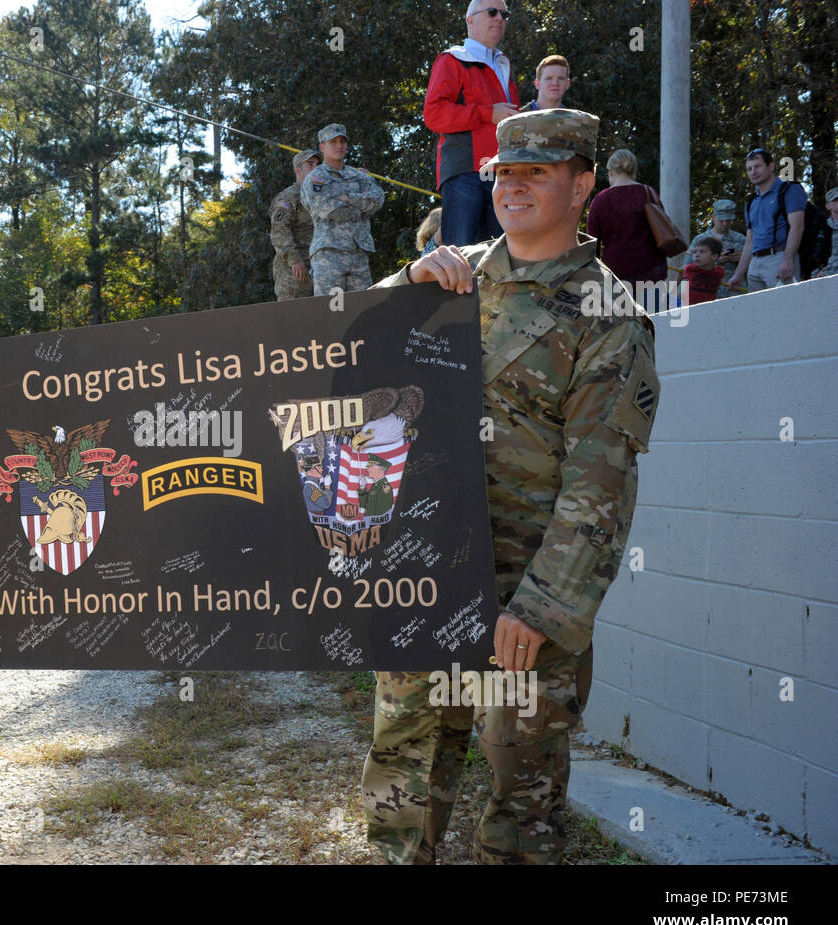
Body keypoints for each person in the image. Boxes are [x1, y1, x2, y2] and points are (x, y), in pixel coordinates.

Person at [364, 109, 659, 865]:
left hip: (520, 598)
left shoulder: (607, 317)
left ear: (583, 183)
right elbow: (342, 358)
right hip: (424, 578)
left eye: (539, 171)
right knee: (404, 781)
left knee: (519, 804)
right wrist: (403, 281)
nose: (515, 185)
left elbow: (601, 479)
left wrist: (543, 605)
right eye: (505, 171)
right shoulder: (450, 272)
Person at [423, 0, 518, 246]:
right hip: (466, 172)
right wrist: (488, 113)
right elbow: (434, 114)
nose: (499, 18)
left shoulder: (503, 65)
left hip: (503, 174)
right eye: (492, 12)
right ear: (470, 20)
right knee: (461, 258)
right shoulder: (452, 59)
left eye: (504, 14)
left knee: (500, 259)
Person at [300, 123, 385, 296]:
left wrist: (349, 198)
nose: (339, 146)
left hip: (359, 253)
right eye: (333, 142)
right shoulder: (316, 179)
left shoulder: (359, 176)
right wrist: (362, 206)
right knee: (333, 312)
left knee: (361, 312)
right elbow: (330, 210)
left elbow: (378, 199)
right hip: (329, 254)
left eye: (342, 141)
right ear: (322, 147)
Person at [586, 148, 671, 313]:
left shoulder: (600, 201)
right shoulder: (648, 193)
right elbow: (661, 228)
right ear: (633, 170)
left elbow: (592, 244)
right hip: (651, 272)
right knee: (655, 328)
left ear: (610, 172)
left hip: (616, 275)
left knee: (620, 331)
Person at [727, 148, 806, 291]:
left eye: (757, 166)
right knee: (759, 312)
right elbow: (750, 240)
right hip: (755, 264)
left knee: (786, 309)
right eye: (749, 169)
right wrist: (738, 274)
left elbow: (797, 227)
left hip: (779, 258)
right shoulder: (751, 201)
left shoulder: (789, 190)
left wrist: (788, 260)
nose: (753, 172)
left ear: (771, 166)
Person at [270, 149, 320, 300]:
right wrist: (294, 260)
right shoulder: (287, 197)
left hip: (318, 266)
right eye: (310, 164)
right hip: (294, 271)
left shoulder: (320, 195)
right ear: (298, 170)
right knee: (292, 317)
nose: (316, 168)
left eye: (318, 164)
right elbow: (279, 231)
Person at [683, 199, 746, 285]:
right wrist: (713, 261)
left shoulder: (741, 239)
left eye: (728, 220)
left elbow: (755, 267)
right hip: (707, 290)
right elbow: (686, 267)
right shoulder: (699, 240)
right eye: (721, 220)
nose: (724, 224)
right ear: (713, 217)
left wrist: (743, 259)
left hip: (735, 291)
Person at [682, 235, 725, 305]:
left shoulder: (719, 272)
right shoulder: (689, 269)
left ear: (714, 256)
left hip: (708, 309)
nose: (697, 255)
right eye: (695, 252)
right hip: (687, 307)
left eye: (702, 252)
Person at [814, 186, 838, 278]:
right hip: (827, 276)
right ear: (828, 206)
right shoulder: (822, 228)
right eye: (836, 200)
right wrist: (816, 272)